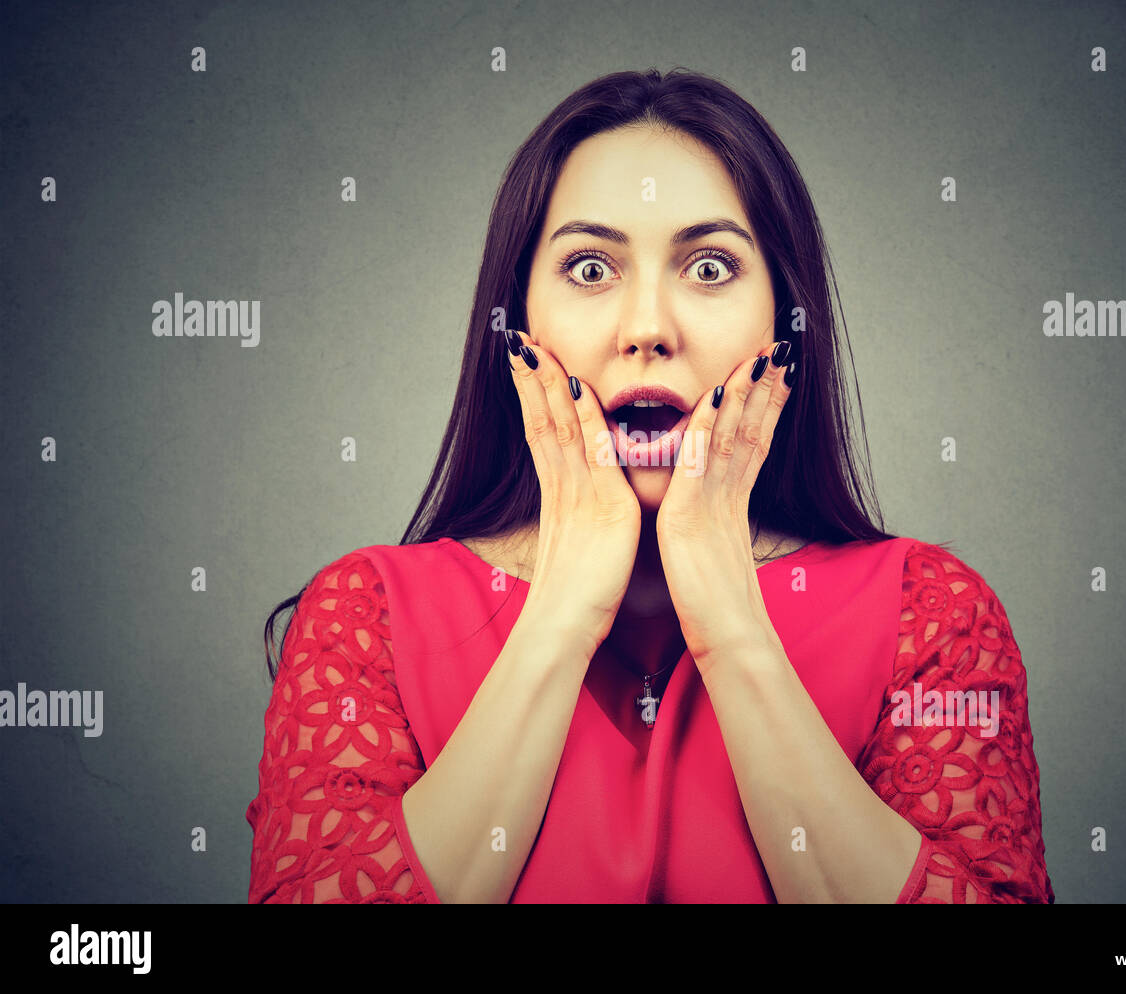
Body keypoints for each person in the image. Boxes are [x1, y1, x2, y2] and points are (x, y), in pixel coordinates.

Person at [247, 67, 1053, 904]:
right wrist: (562, 609)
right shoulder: (364, 615)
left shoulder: (931, 614)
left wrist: (731, 623)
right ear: (515, 320)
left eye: (709, 268)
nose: (646, 331)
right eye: (590, 269)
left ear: (786, 318)